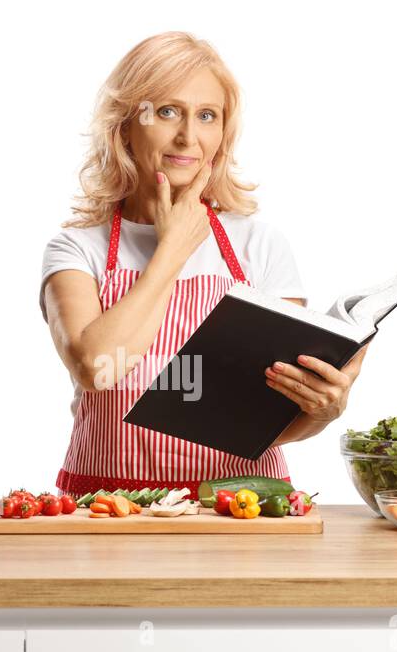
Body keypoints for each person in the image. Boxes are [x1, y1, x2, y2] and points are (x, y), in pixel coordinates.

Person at [40, 32, 366, 499]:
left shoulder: (260, 246)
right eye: (167, 111)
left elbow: (272, 420)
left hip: (242, 504)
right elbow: (98, 368)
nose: (188, 137)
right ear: (125, 125)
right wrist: (172, 248)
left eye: (207, 116)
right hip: (110, 509)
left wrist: (323, 408)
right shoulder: (76, 249)